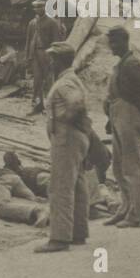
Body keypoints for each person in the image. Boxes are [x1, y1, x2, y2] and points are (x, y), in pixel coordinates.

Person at [102, 25, 140, 229]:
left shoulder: (131, 64)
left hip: (129, 117)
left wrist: (139, 111)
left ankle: (138, 214)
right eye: (110, 42)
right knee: (118, 167)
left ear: (123, 42)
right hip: (118, 117)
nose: (111, 46)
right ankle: (126, 208)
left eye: (113, 42)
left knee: (133, 167)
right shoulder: (122, 63)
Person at [35, 41, 92, 253]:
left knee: (61, 186)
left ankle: (59, 238)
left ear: (58, 60)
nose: (49, 62)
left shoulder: (66, 83)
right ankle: (78, 232)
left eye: (52, 59)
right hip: (75, 137)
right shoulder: (70, 78)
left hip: (67, 138)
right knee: (77, 184)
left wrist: (64, 118)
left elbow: (77, 104)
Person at [25, 0, 66, 114]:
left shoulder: (52, 22)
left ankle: (51, 107)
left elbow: (56, 41)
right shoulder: (32, 23)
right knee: (37, 80)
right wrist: (28, 56)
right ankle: (38, 105)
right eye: (36, 7)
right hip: (35, 53)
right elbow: (28, 41)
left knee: (49, 80)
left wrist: (54, 56)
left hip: (47, 53)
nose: (38, 9)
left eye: (41, 6)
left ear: (45, 7)